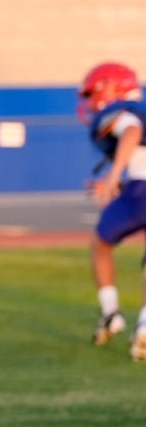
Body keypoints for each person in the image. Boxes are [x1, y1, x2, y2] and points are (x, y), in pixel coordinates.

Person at [79, 60, 146, 359]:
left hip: (141, 191)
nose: (91, 102)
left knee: (101, 242)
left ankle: (110, 313)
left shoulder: (119, 114)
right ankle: (144, 326)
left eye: (93, 94)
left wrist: (113, 176)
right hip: (137, 186)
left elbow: (132, 130)